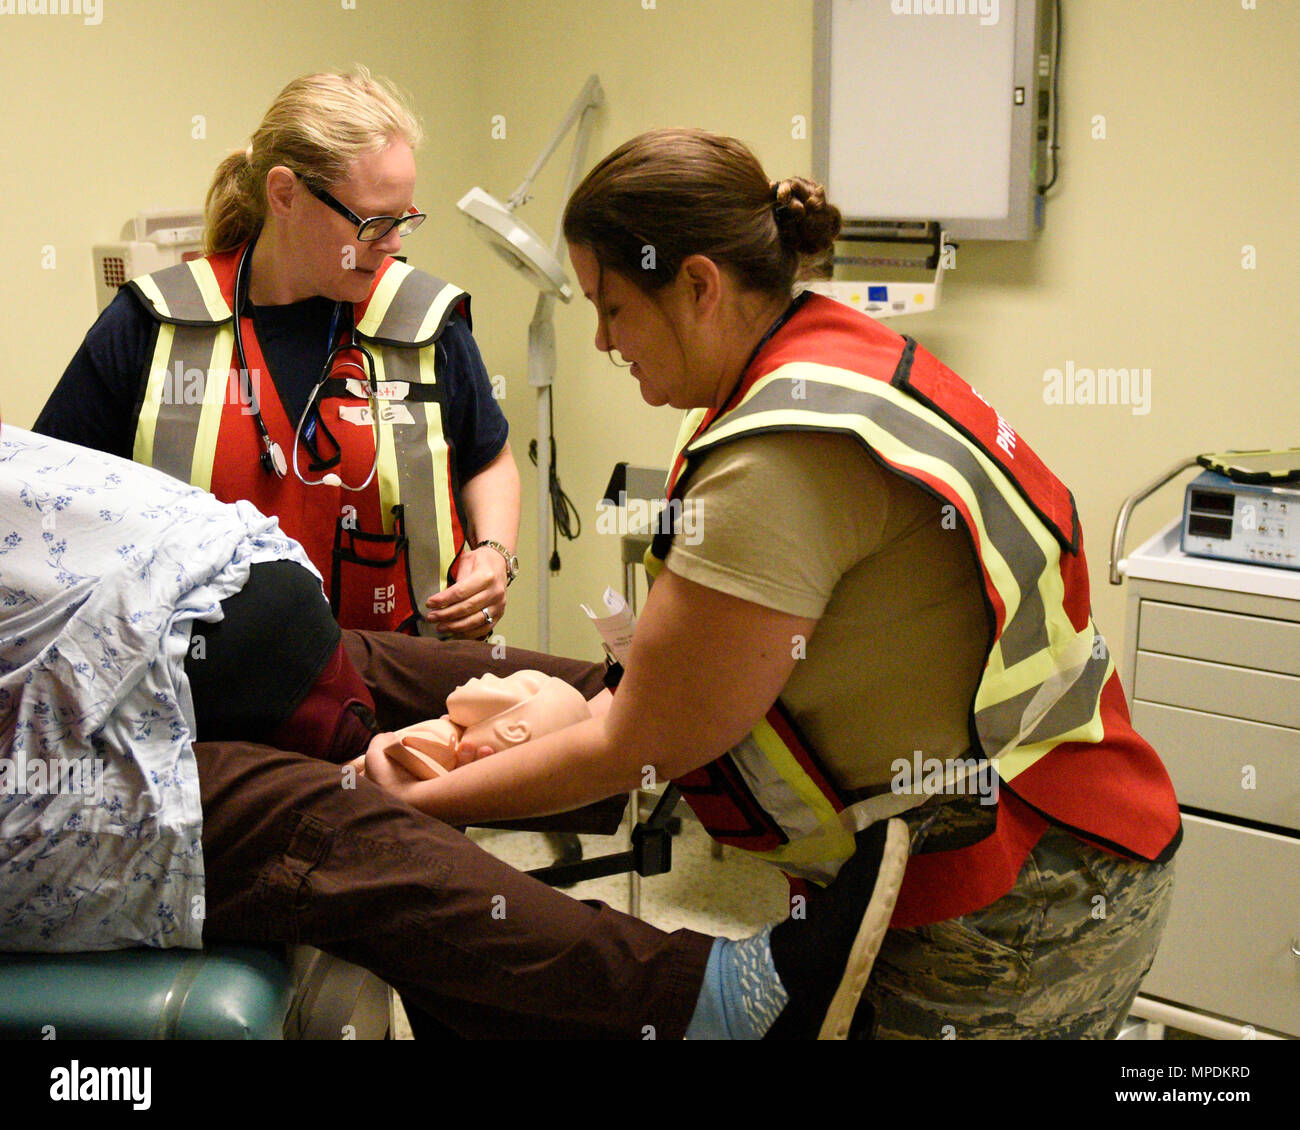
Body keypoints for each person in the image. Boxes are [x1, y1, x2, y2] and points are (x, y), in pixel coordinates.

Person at [358, 128, 1183, 1039]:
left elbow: (636, 745)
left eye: (613, 307)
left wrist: (411, 805)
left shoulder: (779, 456)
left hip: (1026, 895)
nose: (601, 340)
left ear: (699, 285)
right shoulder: (815, 361)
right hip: (1061, 823)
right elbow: (666, 693)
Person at [0, 424, 898, 1040]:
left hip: (196, 633)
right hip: (59, 754)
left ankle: (796, 786)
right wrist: (434, 790)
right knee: (326, 821)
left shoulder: (419, 317)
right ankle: (707, 1009)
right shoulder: (152, 325)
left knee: (553, 689)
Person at [34, 67, 518, 639]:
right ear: (286, 194)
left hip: (408, 677)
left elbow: (489, 458)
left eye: (403, 220)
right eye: (373, 223)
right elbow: (49, 500)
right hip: (202, 684)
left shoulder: (424, 320)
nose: (392, 244)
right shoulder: (153, 325)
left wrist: (494, 555)